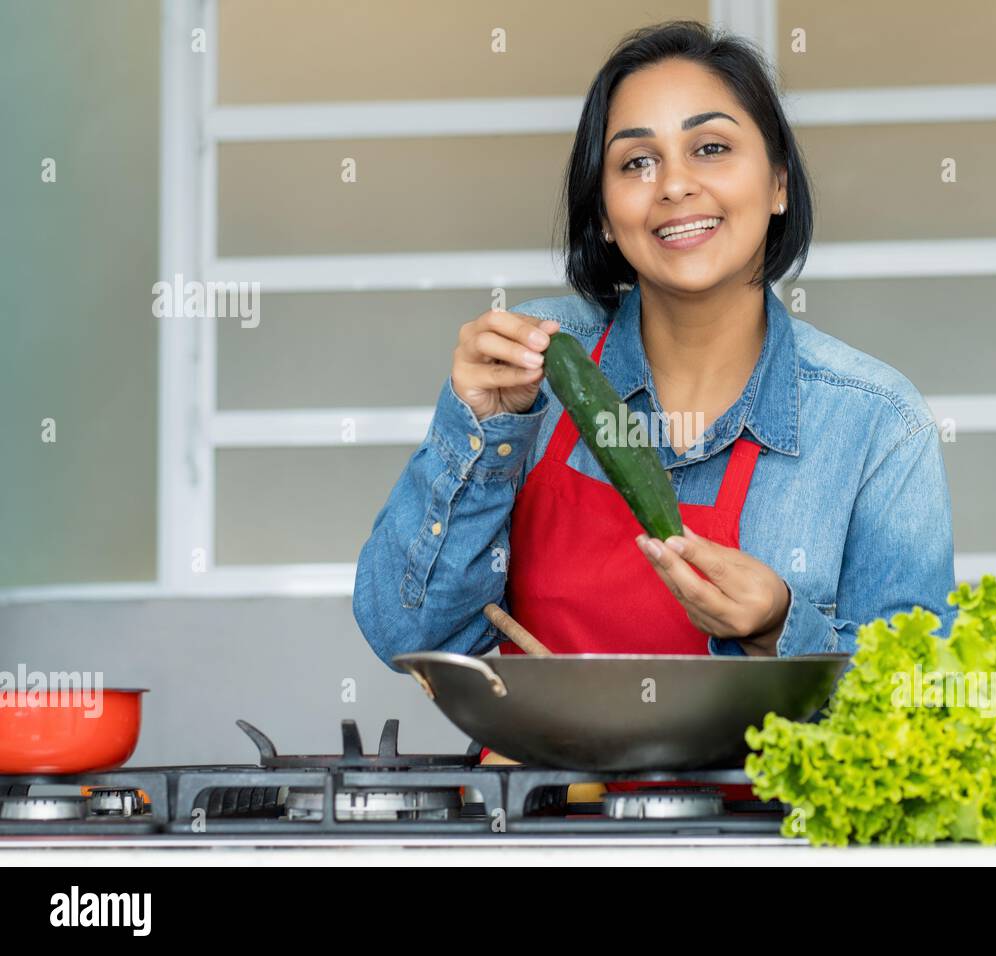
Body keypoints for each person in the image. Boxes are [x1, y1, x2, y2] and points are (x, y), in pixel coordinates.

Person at [353, 20, 957, 674]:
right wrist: (485, 429)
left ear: (779, 182)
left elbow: (916, 698)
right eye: (637, 161)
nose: (673, 185)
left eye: (712, 148)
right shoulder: (538, 365)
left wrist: (783, 629)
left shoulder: (876, 421)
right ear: (606, 216)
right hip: (540, 780)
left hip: (758, 784)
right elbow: (407, 638)